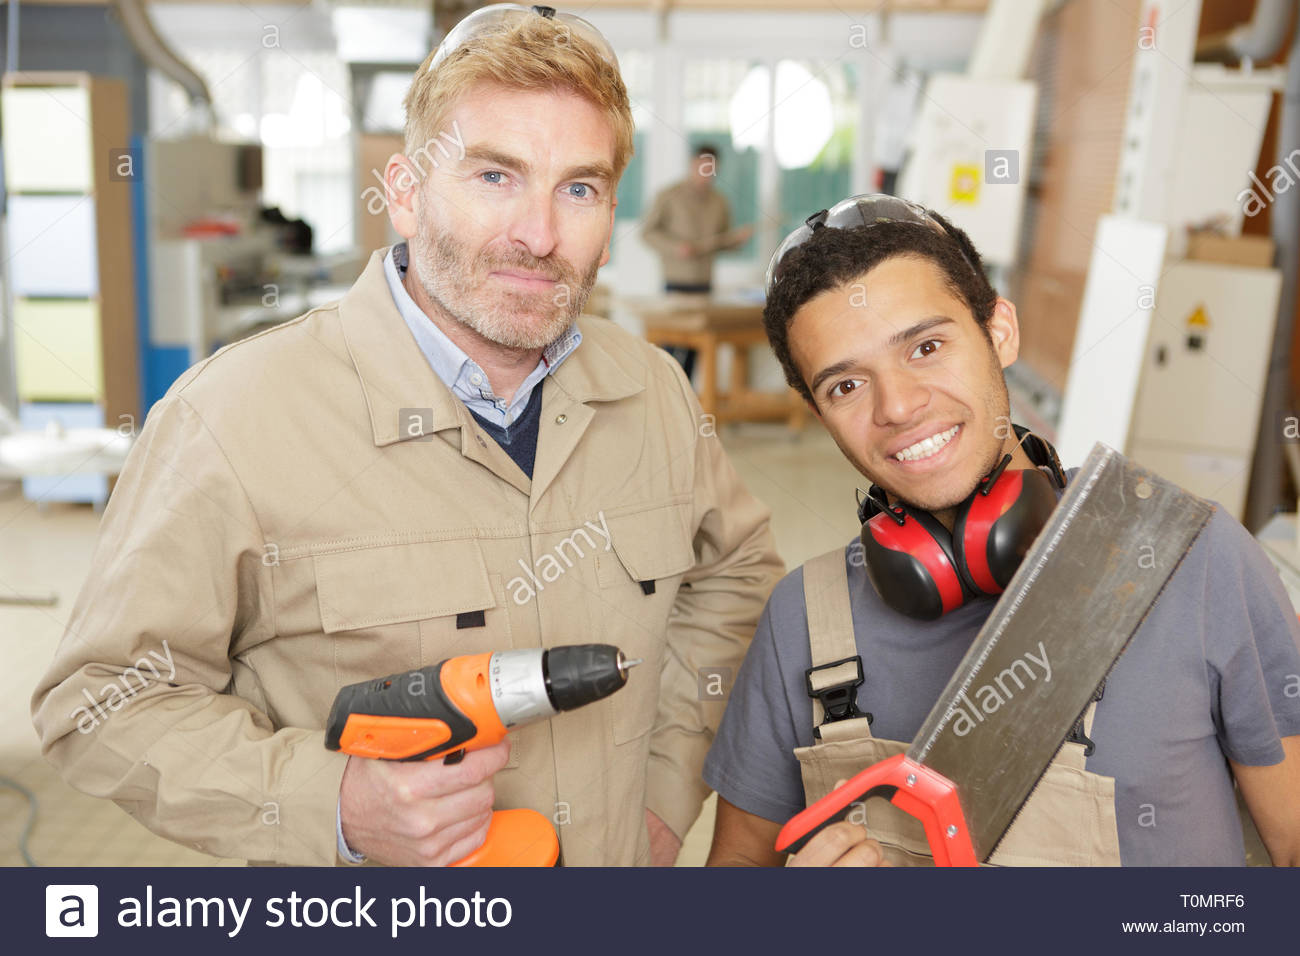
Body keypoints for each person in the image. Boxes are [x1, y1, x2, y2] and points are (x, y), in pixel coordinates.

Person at [31, 5, 783, 868]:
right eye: (495, 176)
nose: (539, 236)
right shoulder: (233, 418)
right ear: (404, 191)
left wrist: (663, 789)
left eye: (578, 188)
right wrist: (333, 805)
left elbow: (736, 576)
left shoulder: (651, 391)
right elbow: (97, 701)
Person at [703, 194, 1300, 867]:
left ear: (1000, 331)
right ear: (817, 411)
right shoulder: (804, 623)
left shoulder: (1192, 556)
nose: (898, 406)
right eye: (846, 386)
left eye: (926, 347)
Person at [641, 144, 753, 377]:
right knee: (668, 350)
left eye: (711, 170)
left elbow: (723, 242)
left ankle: (684, 402)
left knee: (695, 351)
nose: (706, 174)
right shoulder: (669, 195)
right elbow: (648, 233)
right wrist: (675, 248)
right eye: (702, 168)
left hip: (704, 287)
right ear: (693, 165)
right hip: (675, 285)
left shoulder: (719, 201)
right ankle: (664, 401)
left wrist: (737, 240)